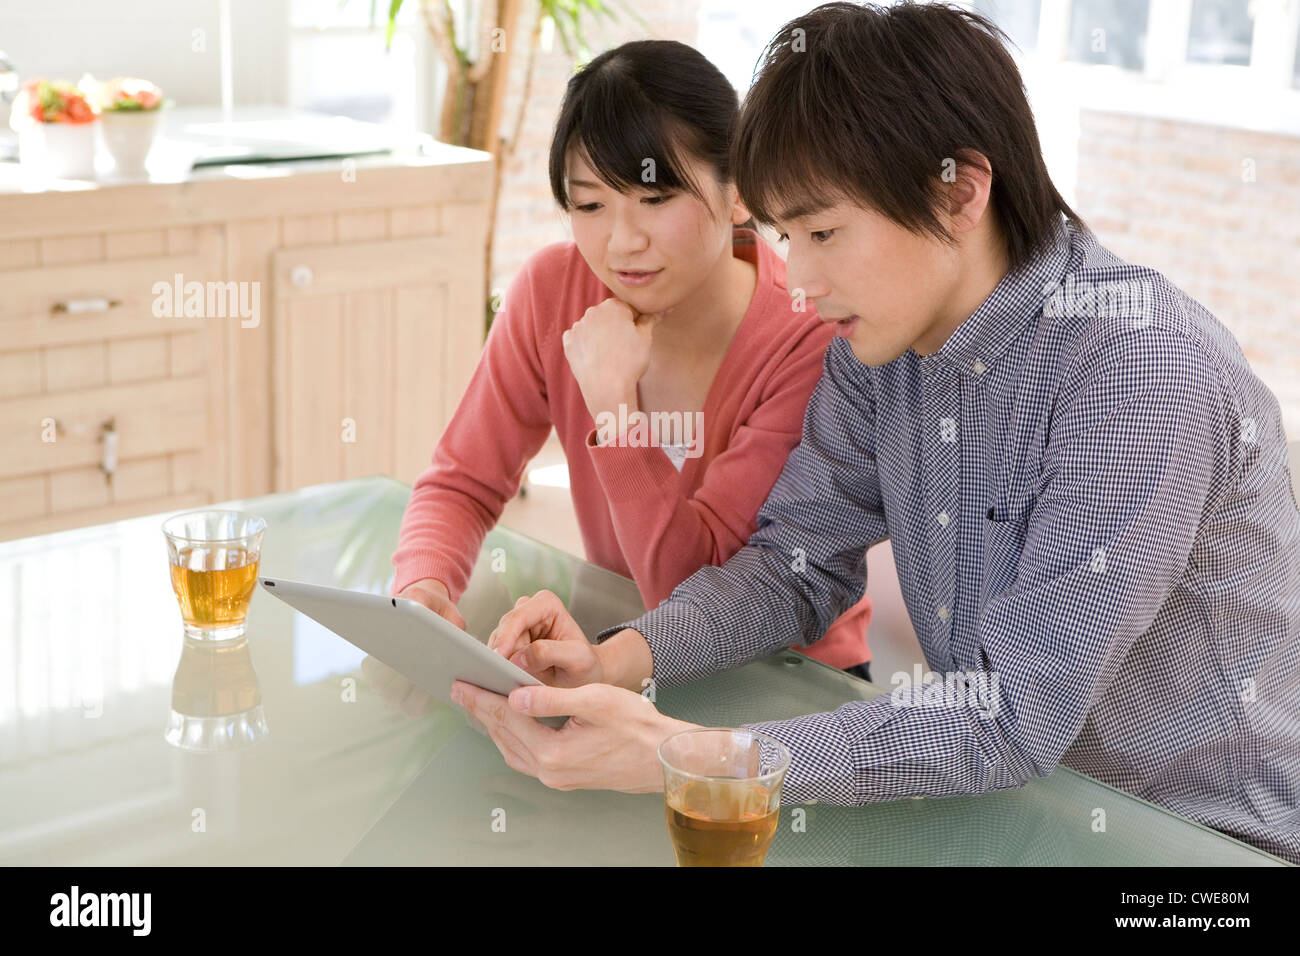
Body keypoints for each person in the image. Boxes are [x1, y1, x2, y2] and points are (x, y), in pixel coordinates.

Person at [454, 2, 1300, 864]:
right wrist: (617, 659)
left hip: (1208, 849)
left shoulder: (1141, 378)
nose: (802, 278)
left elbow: (1009, 714)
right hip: (1013, 809)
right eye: (787, 235)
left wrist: (687, 757)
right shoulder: (881, 349)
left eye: (823, 232)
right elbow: (793, 567)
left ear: (960, 191)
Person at [386, 38, 874, 703]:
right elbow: (463, 483)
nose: (621, 242)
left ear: (739, 193)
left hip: (789, 682)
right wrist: (424, 586)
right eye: (589, 206)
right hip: (622, 655)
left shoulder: (806, 336)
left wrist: (615, 409)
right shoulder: (552, 292)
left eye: (654, 198)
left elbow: (696, 595)